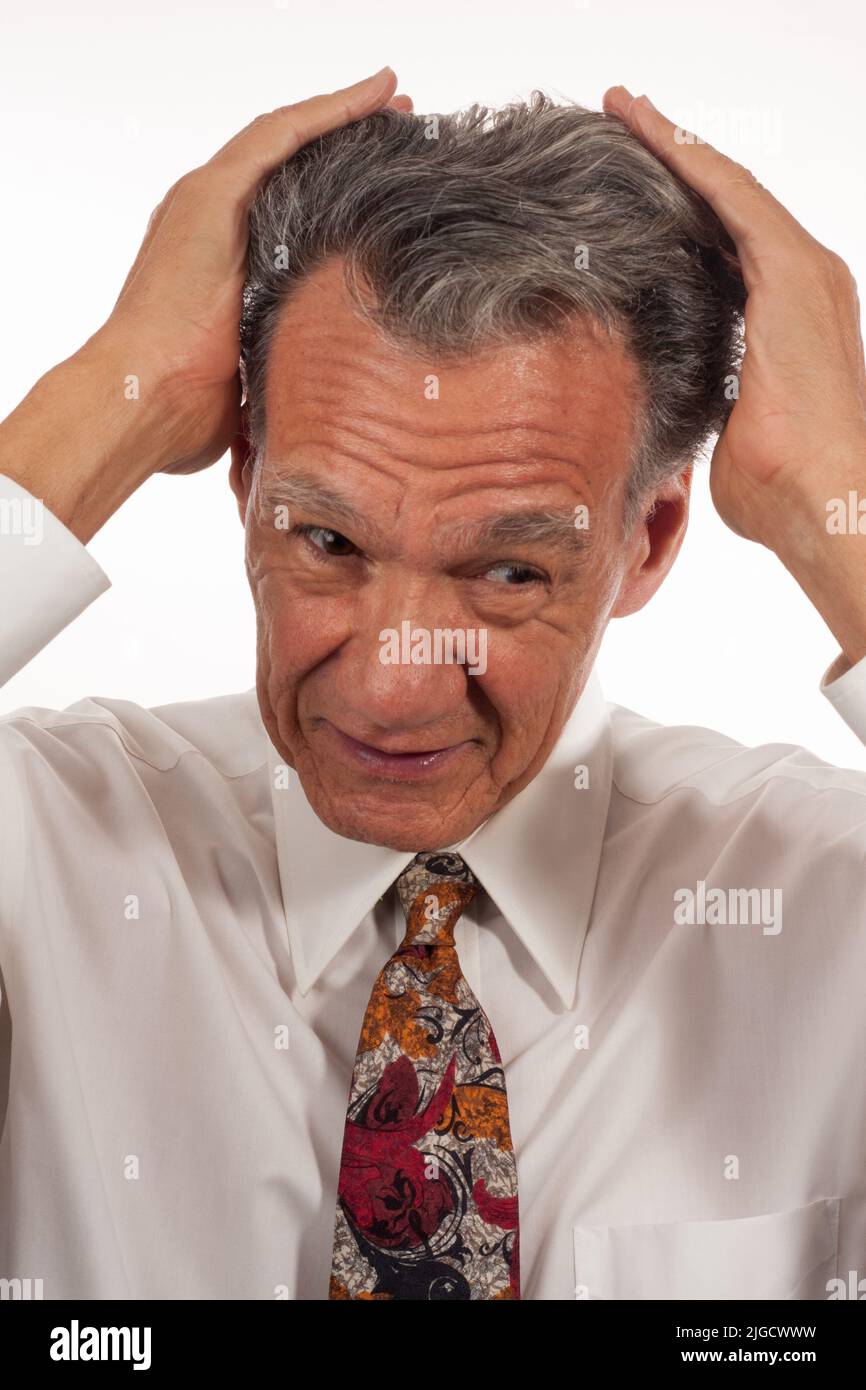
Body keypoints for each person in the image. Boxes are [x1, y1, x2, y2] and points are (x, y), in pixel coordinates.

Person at [0, 66, 864, 1301]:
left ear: (649, 540)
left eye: (507, 570)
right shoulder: (43, 852)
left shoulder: (828, 907)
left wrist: (836, 493)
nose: (392, 686)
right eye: (328, 543)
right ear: (243, 483)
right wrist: (115, 393)